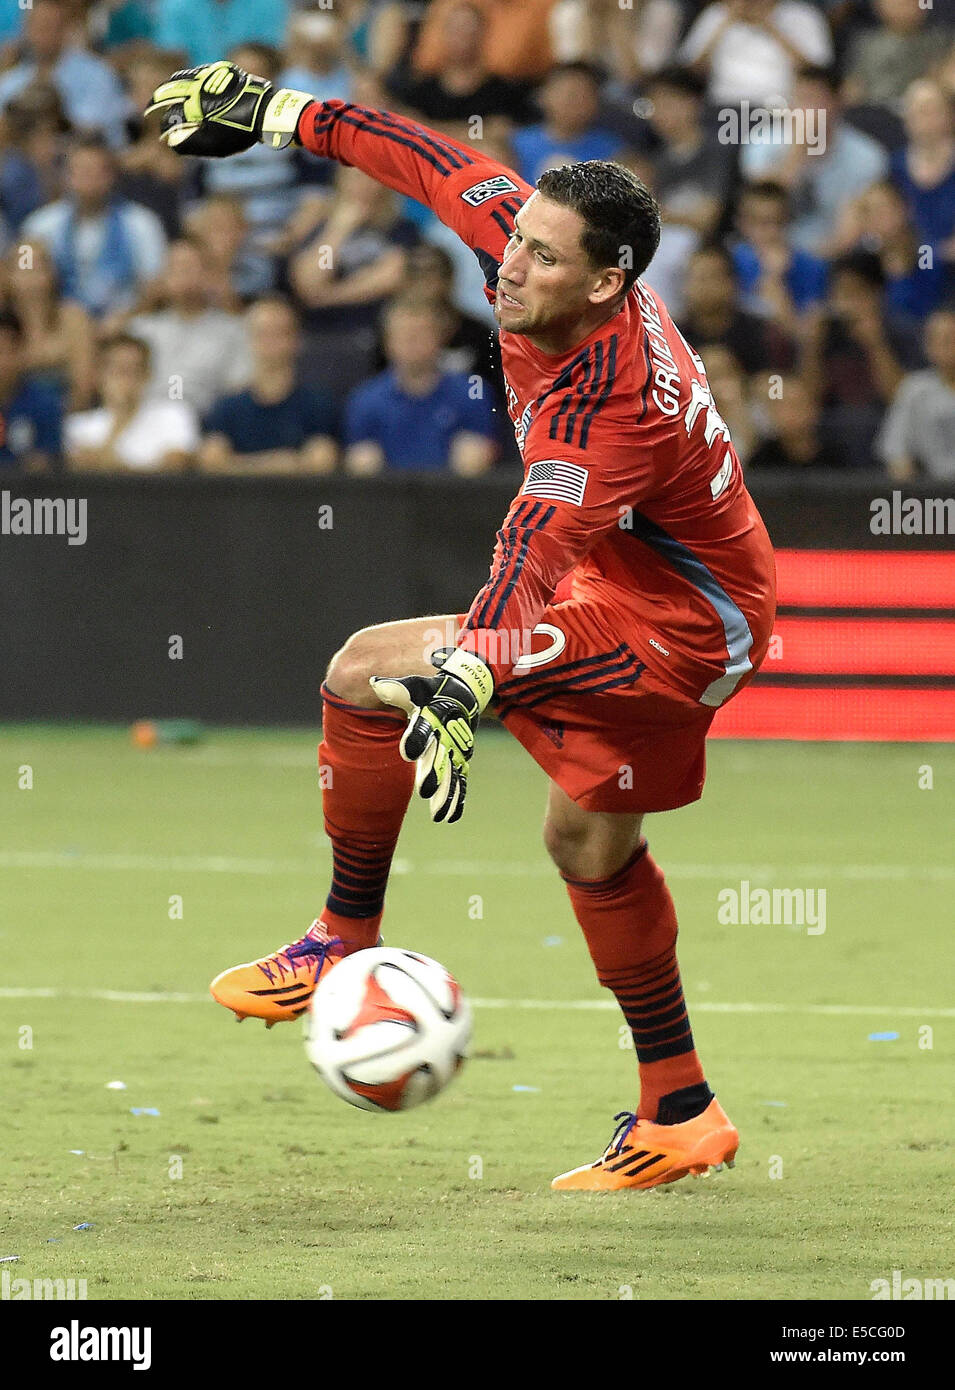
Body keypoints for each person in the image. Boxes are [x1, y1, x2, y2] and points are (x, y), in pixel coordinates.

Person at [147, 60, 777, 1191]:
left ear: (607, 283)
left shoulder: (609, 405)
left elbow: (529, 550)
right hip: (658, 589)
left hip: (682, 627)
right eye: (518, 238)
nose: (509, 264)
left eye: (540, 255)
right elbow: (429, 159)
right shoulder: (535, 253)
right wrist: (285, 113)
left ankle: (342, 935)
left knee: (359, 670)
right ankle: (680, 1108)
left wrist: (471, 671)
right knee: (585, 843)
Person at [345, 294, 498, 475]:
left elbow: (483, 451)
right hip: (386, 498)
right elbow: (357, 459)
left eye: (421, 333)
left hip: (453, 496)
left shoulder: (470, 392)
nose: (413, 342)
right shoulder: (365, 399)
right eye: (405, 335)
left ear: (440, 339)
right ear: (387, 342)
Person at [22, 135, 167, 319]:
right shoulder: (38, 225)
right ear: (67, 176)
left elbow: (155, 284)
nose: (89, 179)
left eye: (97, 171)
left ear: (112, 176)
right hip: (58, 323)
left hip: (126, 324)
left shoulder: (142, 223)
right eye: (82, 171)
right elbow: (22, 269)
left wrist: (125, 318)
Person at [199, 296, 339, 475]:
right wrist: (285, 463)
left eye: (280, 333)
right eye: (262, 333)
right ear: (248, 339)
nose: (271, 342)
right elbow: (212, 461)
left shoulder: (318, 404)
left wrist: (239, 464)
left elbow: (322, 460)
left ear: (297, 339)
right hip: (239, 501)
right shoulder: (227, 407)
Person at [126, 237, 253, 415]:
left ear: (209, 274)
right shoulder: (140, 330)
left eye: (188, 267)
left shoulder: (233, 330)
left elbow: (239, 388)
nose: (181, 275)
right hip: (145, 423)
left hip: (206, 423)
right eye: (174, 268)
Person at [0, 0, 130, 148]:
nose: (42, 34)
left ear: (66, 29)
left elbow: (92, 131)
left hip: (84, 159)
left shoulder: (97, 74)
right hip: (22, 165)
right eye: (37, 26)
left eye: (50, 27)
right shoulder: (10, 83)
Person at [64, 333, 198, 472]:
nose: (126, 378)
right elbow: (80, 474)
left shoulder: (174, 413)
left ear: (147, 375)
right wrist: (121, 416)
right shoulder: (78, 425)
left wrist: (113, 464)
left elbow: (176, 467)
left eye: (134, 370)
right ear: (99, 375)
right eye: (118, 370)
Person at [876, 307, 955, 481]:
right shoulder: (914, 389)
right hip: (935, 495)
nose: (948, 347)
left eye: (952, 339)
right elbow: (896, 451)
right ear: (928, 346)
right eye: (942, 340)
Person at [510, 63, 622, 185]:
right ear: (543, 96)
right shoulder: (514, 145)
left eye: (584, 95)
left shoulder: (613, 154)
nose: (575, 102)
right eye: (569, 94)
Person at [0, 310, 62, 471]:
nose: (3, 361)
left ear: (23, 352)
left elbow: (49, 462)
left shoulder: (46, 404)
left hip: (27, 494)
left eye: (10, 350)